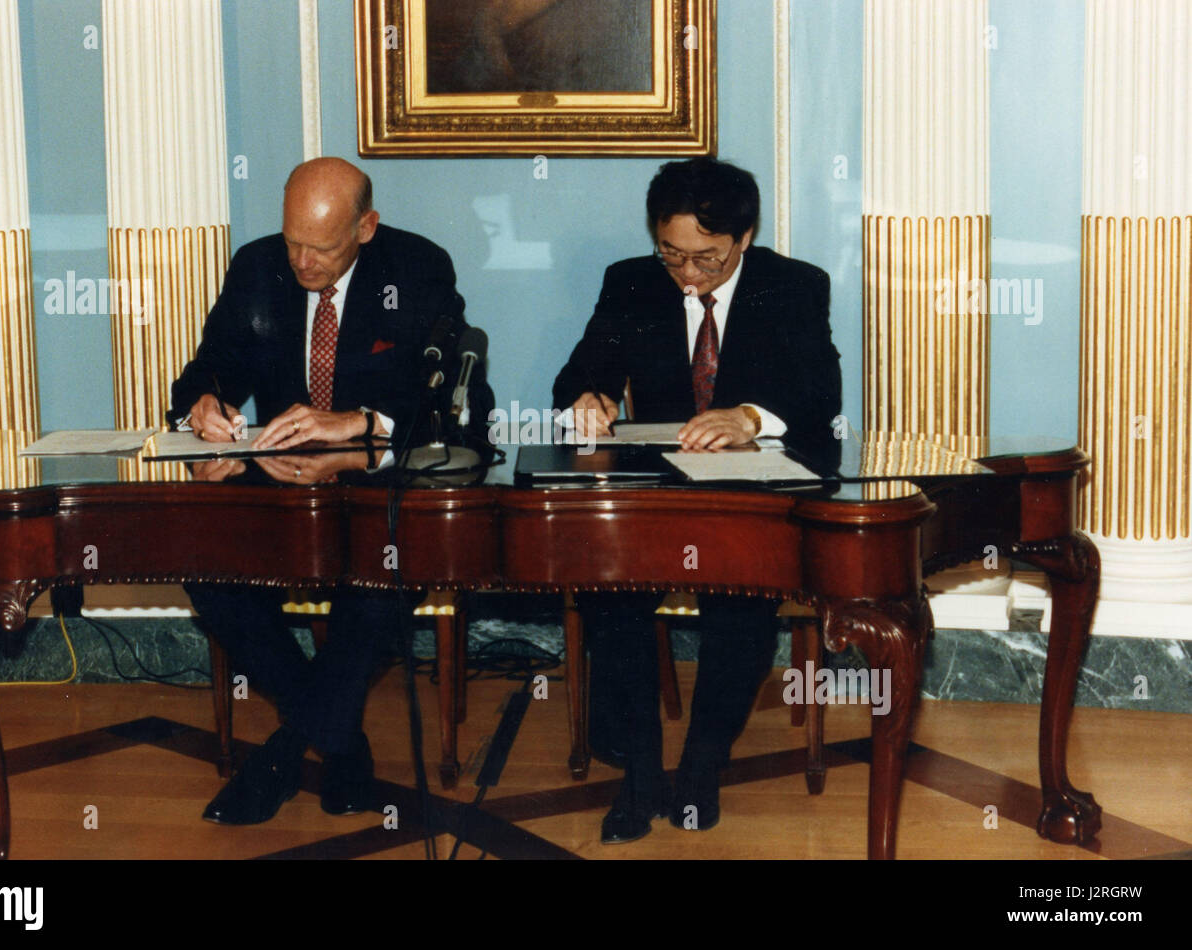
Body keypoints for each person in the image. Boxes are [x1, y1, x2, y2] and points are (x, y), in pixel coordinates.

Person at [169, 157, 492, 825]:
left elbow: (464, 406)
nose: (303, 263)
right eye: (293, 242)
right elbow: (208, 367)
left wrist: (364, 421)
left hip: (378, 492)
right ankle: (341, 744)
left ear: (366, 228)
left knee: (375, 593)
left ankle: (287, 753)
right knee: (208, 575)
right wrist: (202, 404)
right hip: (282, 490)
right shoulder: (259, 267)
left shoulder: (417, 269)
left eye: (321, 246)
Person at [552, 157, 842, 843]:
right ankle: (640, 772)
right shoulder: (630, 282)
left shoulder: (794, 286)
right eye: (672, 255)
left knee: (741, 601)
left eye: (707, 259)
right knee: (609, 591)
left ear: (744, 238)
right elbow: (578, 373)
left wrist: (747, 416)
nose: (686, 275)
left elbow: (818, 396)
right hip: (655, 502)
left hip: (748, 502)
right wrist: (584, 400)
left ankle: (702, 765)